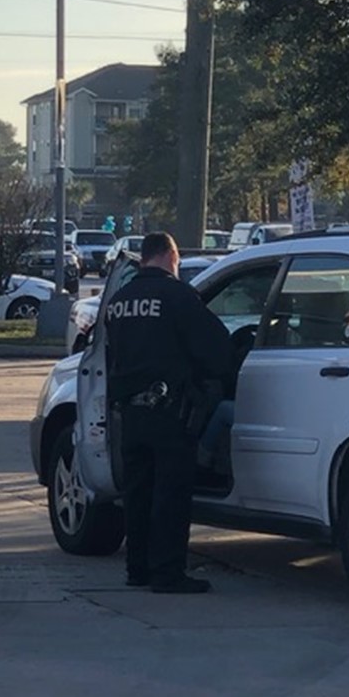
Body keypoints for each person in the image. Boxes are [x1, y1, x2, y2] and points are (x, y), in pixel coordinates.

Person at [104, 232, 235, 593]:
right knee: (170, 496)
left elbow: (111, 356)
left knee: (138, 494)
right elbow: (216, 349)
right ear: (170, 256)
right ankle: (167, 574)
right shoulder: (178, 296)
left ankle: (138, 569)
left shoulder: (119, 300)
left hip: (131, 415)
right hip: (171, 413)